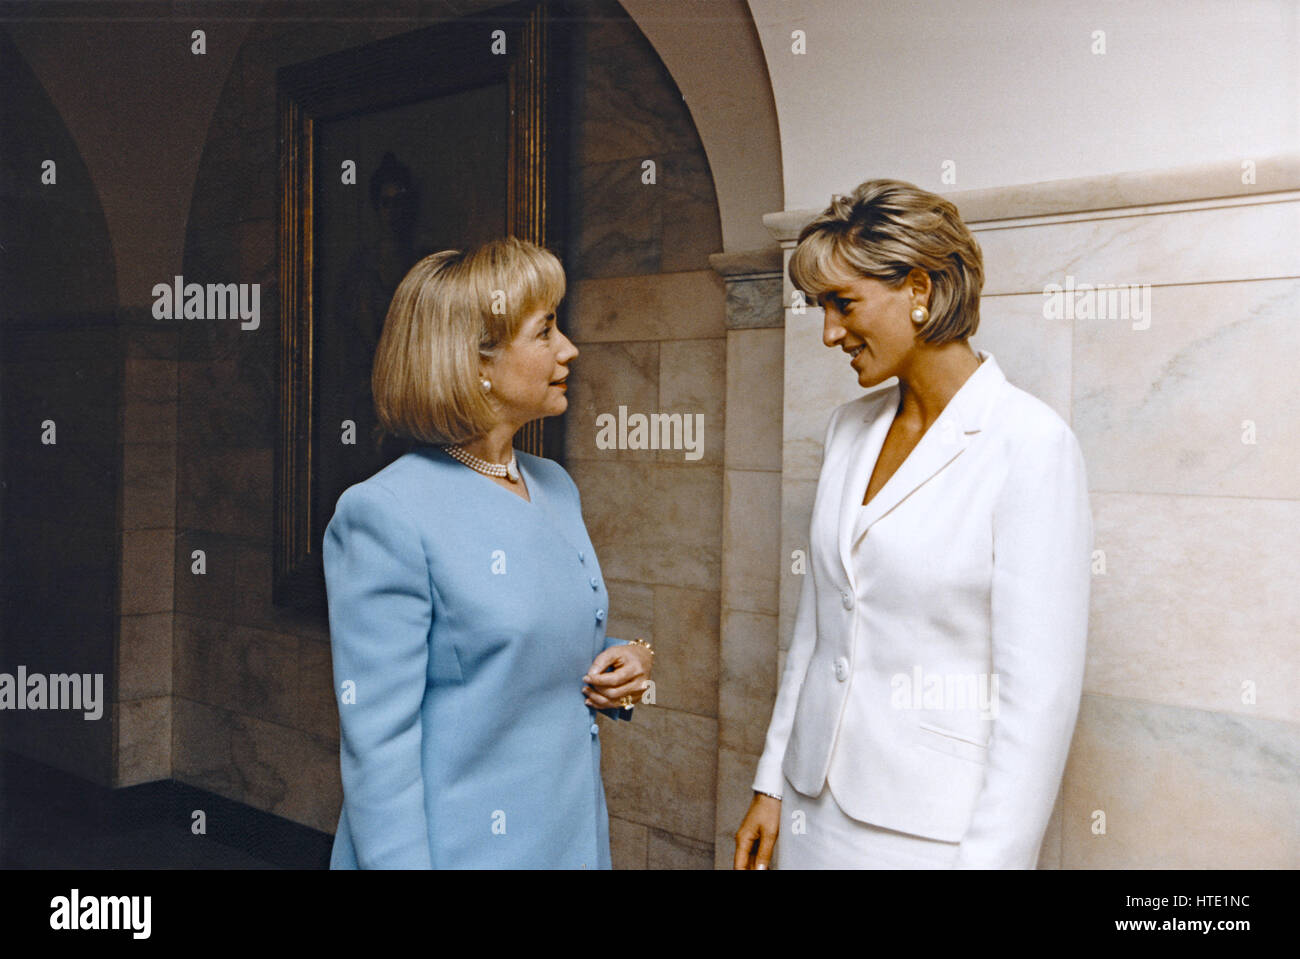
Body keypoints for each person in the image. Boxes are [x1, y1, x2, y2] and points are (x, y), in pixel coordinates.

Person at [734, 179, 1092, 869]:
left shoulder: (1029, 444)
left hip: (931, 834)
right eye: (820, 307)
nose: (830, 332)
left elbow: (1038, 699)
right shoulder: (849, 429)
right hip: (813, 809)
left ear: (919, 289)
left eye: (843, 304)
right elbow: (817, 625)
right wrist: (771, 782)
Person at [325, 236, 653, 869]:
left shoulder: (553, 484)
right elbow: (378, 749)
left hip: (569, 840)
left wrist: (627, 667)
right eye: (545, 331)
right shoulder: (384, 514)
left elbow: (536, 653)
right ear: (476, 360)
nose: (569, 350)